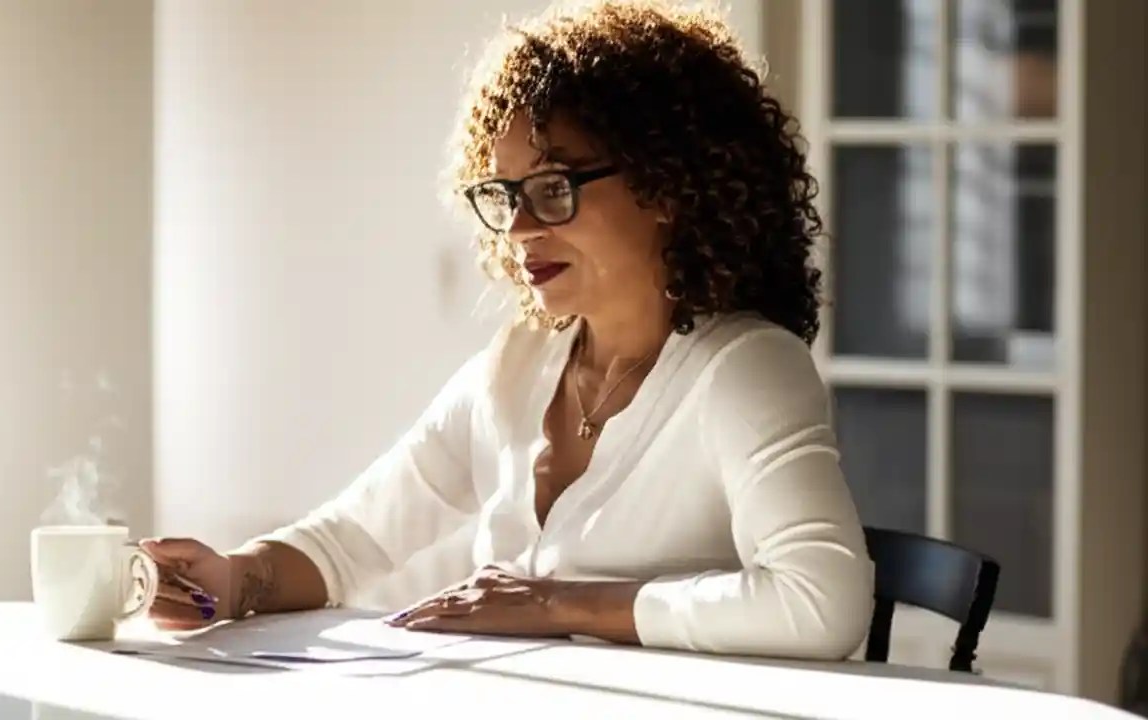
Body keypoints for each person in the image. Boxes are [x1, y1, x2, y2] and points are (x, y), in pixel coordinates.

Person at [142, 0, 874, 660]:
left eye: (555, 189)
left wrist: (558, 605)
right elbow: (358, 536)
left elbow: (823, 605)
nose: (520, 227)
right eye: (504, 194)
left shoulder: (744, 370)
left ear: (670, 187)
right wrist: (236, 580)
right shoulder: (518, 367)